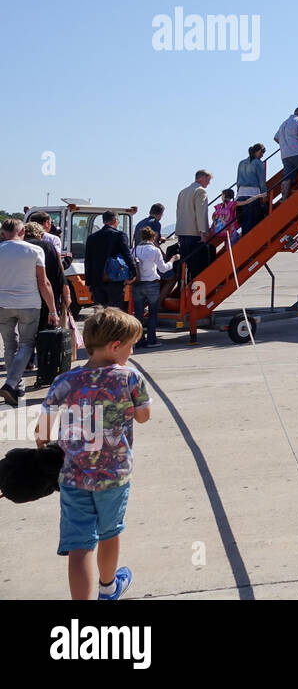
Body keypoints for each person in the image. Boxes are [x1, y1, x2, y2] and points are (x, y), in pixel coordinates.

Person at [36, 307, 151, 600]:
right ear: (115, 346)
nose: (131, 351)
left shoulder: (66, 380)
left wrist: (46, 451)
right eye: (130, 346)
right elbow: (143, 417)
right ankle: (108, 587)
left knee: (80, 545)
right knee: (110, 533)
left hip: (73, 475)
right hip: (114, 475)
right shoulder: (130, 378)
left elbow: (42, 430)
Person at [0, 218, 58, 406]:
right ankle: (10, 384)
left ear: (2, 234)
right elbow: (44, 282)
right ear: (23, 231)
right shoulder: (35, 250)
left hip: (3, 304)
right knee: (26, 344)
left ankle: (16, 385)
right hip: (29, 303)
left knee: (9, 345)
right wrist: (52, 309)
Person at [130, 227, 176, 348]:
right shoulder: (154, 250)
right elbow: (163, 269)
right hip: (151, 284)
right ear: (153, 237)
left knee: (138, 314)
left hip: (137, 284)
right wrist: (173, 260)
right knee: (153, 313)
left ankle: (139, 340)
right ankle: (151, 340)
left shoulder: (133, 250)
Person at [83, 211, 137, 311]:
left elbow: (88, 260)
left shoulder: (91, 238)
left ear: (103, 221)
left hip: (97, 281)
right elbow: (127, 255)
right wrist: (133, 272)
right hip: (115, 279)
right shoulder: (119, 235)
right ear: (115, 220)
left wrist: (88, 282)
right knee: (114, 312)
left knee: (99, 313)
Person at [25, 222, 69, 340]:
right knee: (44, 328)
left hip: (24, 294)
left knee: (25, 332)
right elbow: (58, 271)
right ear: (40, 233)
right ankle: (42, 353)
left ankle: (27, 354)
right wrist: (65, 292)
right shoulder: (47, 246)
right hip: (46, 295)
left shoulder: (18, 246)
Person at [175, 170, 213, 283]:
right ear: (202, 178)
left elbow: (178, 212)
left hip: (182, 232)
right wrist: (203, 233)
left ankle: (184, 287)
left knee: (185, 264)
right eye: (208, 180)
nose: (209, 183)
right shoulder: (200, 191)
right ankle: (195, 290)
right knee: (196, 266)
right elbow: (201, 213)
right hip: (194, 233)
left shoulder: (183, 192)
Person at [274, 107, 298, 199]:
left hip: (285, 155)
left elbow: (276, 138)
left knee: (287, 177)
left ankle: (285, 198)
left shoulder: (284, 124)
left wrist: (286, 145)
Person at [235, 144, 269, 236]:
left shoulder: (241, 162)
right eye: (262, 152)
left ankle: (244, 238)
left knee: (245, 219)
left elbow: (238, 180)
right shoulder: (258, 163)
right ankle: (248, 241)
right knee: (253, 219)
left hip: (241, 193)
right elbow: (261, 181)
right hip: (253, 193)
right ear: (257, 151)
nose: (262, 155)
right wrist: (264, 194)